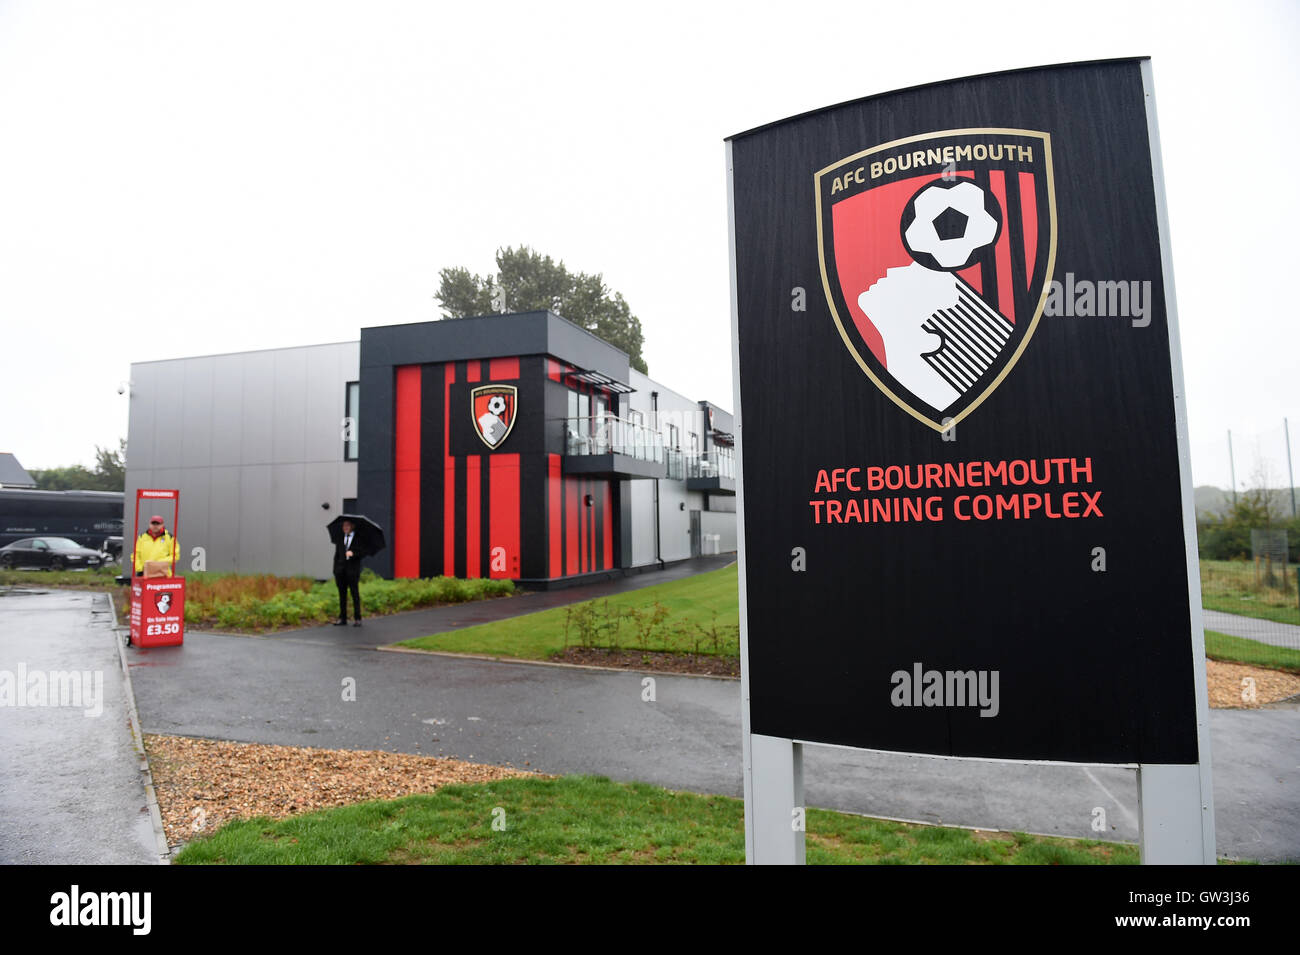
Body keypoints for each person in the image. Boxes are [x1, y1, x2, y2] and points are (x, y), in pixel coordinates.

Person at [333, 519, 367, 627]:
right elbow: (336, 555)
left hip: (352, 571)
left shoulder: (358, 538)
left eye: (347, 525)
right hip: (341, 572)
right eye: (344, 526)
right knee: (342, 595)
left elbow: (363, 552)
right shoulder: (340, 538)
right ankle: (342, 618)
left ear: (352, 526)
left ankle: (358, 618)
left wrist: (353, 553)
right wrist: (335, 570)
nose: (345, 528)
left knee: (354, 594)